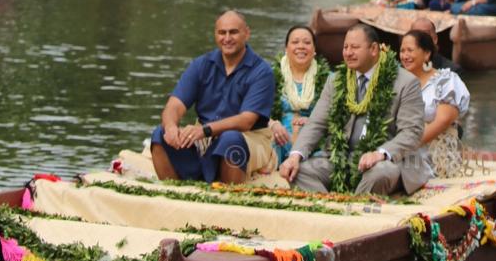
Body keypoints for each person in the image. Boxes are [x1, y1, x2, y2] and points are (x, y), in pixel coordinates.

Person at [279, 24, 428, 195]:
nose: (348, 53)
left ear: (373, 49)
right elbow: (316, 124)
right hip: (339, 160)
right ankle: (332, 211)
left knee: (379, 174)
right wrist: (294, 156)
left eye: (355, 47)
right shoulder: (335, 80)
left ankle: (354, 209)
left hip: (385, 162)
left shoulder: (405, 82)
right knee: (299, 172)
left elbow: (412, 132)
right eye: (345, 47)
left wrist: (380, 154)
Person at [150, 11, 277, 183]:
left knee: (230, 140)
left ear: (247, 33)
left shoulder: (262, 71)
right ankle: (175, 193)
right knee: (160, 133)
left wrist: (204, 130)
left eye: (233, 32)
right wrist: (171, 127)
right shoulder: (201, 64)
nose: (227, 38)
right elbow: (174, 106)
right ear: (215, 34)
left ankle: (227, 197)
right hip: (205, 137)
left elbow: (246, 121)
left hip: (248, 137)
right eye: (222, 32)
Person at [399, 30, 470, 178]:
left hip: (437, 157)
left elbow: (443, 121)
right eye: (402, 51)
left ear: (426, 54)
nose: (405, 56)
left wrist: (403, 147)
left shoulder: (445, 80)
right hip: (403, 150)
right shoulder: (398, 82)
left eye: (410, 50)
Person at [268, 25, 330, 163]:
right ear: (286, 49)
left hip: (315, 143)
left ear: (314, 50)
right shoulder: (269, 75)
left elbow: (338, 118)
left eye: (307, 43)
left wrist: (314, 123)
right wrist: (273, 125)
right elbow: (256, 112)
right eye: (295, 42)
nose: (301, 46)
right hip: (277, 139)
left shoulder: (329, 79)